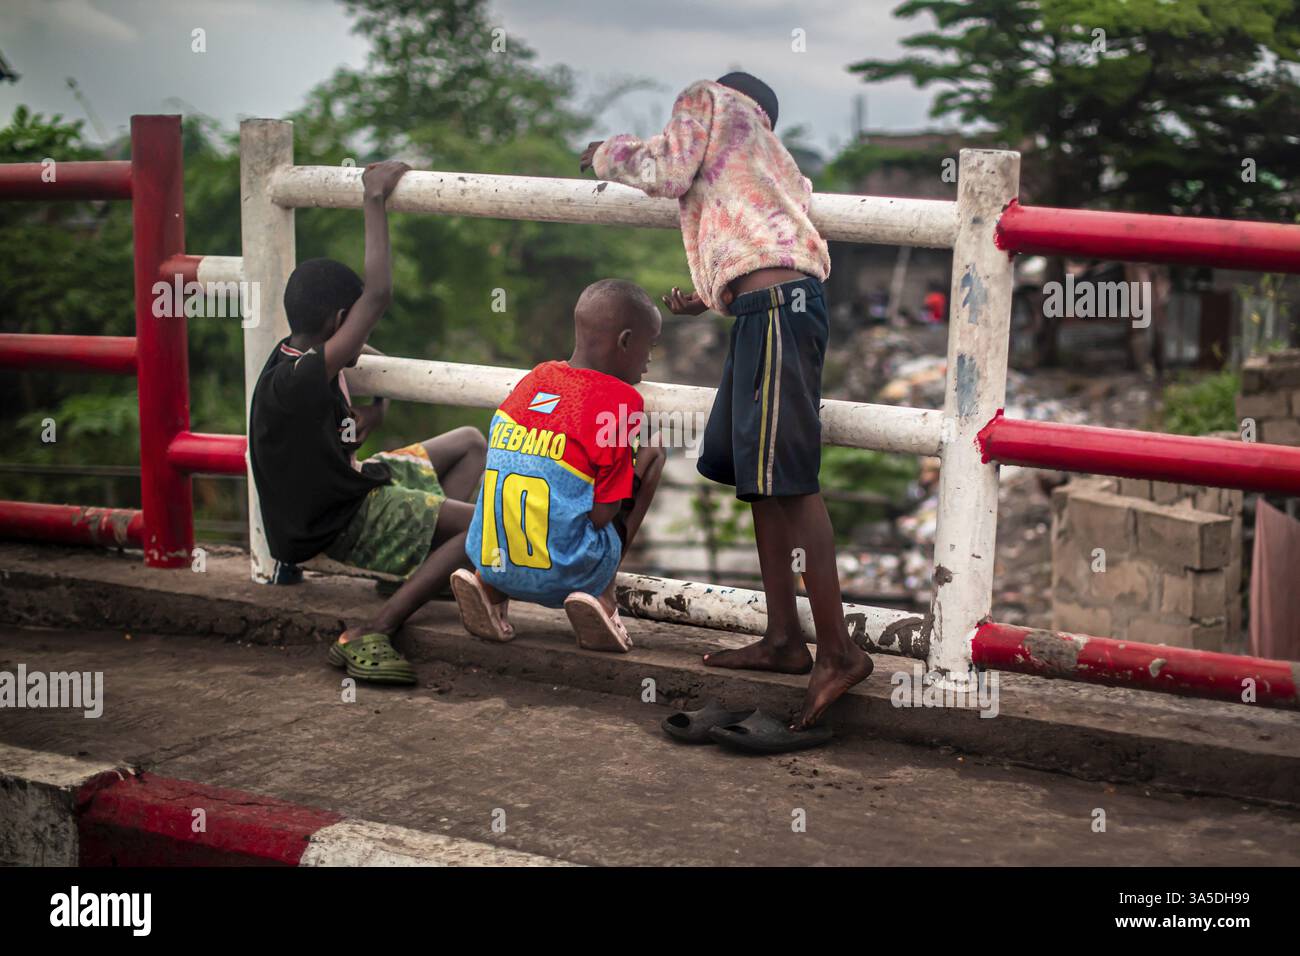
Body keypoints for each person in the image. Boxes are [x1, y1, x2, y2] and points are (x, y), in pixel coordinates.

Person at [580, 72, 873, 730]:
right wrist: (713, 296)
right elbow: (760, 238)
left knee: (792, 483)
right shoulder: (776, 159)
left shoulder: (708, 99)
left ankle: (839, 652)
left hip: (776, 313)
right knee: (758, 475)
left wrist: (605, 151)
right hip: (768, 311)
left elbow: (665, 169)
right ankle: (782, 639)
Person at [249, 160, 485, 685]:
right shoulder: (299, 379)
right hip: (339, 519)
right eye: (353, 323)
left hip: (347, 487)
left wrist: (373, 414)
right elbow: (378, 294)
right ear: (339, 322)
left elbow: (334, 444)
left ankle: (417, 572)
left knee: (470, 442)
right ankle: (373, 628)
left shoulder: (297, 361)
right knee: (481, 525)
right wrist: (373, 197)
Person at [451, 279, 665, 652]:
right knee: (656, 452)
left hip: (492, 557)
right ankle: (602, 597)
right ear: (626, 341)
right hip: (568, 573)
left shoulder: (535, 379)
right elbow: (604, 513)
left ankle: (488, 586)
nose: (650, 359)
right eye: (651, 346)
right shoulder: (621, 401)